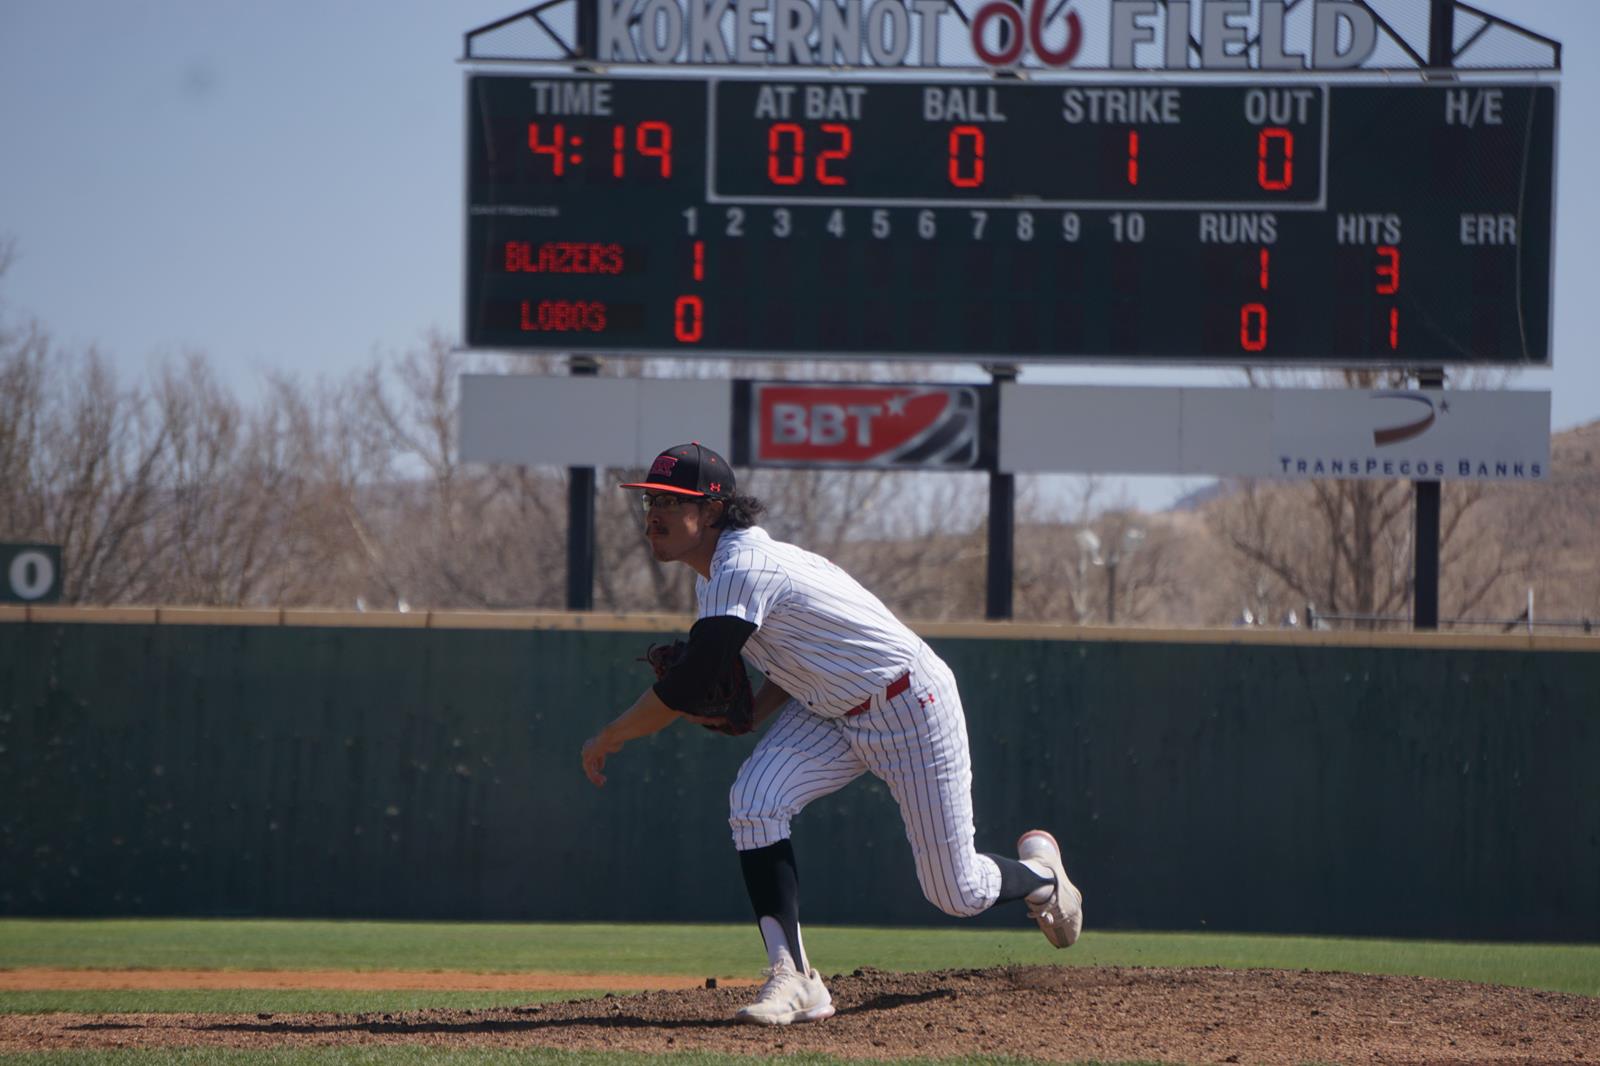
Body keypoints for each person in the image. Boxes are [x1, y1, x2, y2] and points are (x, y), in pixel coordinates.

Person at [581, 442, 1083, 1026]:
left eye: (673, 501)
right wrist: (757, 712)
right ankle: (795, 980)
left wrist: (610, 736)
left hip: (909, 706)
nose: (654, 514)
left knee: (957, 892)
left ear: (714, 510)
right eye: (650, 500)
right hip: (831, 709)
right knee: (755, 801)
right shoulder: (720, 575)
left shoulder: (746, 565)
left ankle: (1043, 878)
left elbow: (693, 679)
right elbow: (794, 661)